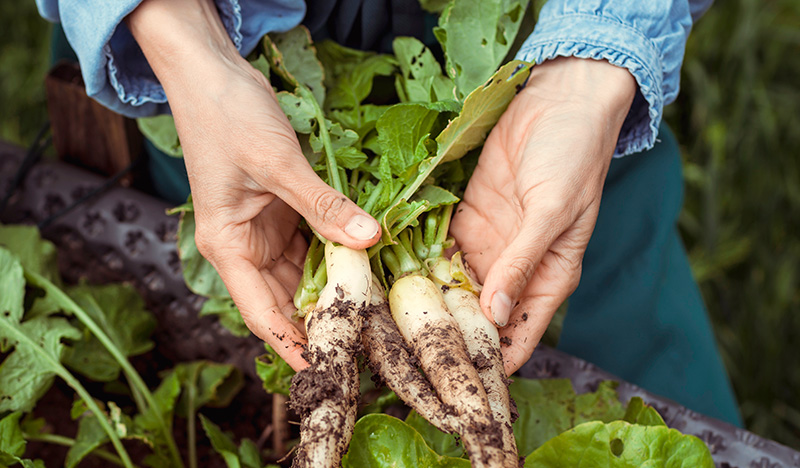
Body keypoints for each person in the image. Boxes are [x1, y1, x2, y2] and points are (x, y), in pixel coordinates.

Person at [35, 0, 741, 424]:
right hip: (228, 40)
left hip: (534, 54)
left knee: (637, 368)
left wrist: (592, 67)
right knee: (248, 274)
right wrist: (186, 47)